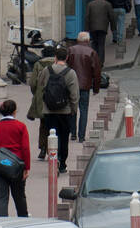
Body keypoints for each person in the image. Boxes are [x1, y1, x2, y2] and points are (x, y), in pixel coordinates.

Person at [33, 45, 79, 173]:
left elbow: (40, 86)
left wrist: (45, 102)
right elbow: (74, 95)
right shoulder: (71, 73)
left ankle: (53, 160)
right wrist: (73, 110)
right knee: (64, 138)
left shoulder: (46, 70)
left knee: (51, 136)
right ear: (67, 58)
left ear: (55, 57)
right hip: (65, 111)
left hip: (49, 111)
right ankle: (62, 163)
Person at [0, 98, 30, 217]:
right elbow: (25, 148)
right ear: (14, 111)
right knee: (19, 196)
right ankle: (23, 220)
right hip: (17, 167)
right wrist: (27, 167)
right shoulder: (21, 126)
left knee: (1, 198)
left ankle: (2, 223)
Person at [66, 32, 102, 141]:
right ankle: (81, 136)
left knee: (73, 109)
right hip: (85, 86)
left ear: (78, 39)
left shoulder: (71, 50)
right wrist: (96, 88)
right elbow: (96, 72)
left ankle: (73, 133)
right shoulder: (91, 52)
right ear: (88, 40)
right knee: (84, 110)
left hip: (72, 84)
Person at [27, 40, 58, 160]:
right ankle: (54, 149)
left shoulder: (38, 64)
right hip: (56, 98)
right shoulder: (58, 64)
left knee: (43, 124)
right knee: (55, 124)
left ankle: (43, 148)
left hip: (42, 98)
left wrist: (37, 94)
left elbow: (33, 83)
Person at [86, 0, 111, 67]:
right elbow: (111, 16)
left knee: (94, 44)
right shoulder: (107, 4)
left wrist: (86, 29)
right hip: (103, 28)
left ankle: (93, 61)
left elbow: (87, 17)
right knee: (101, 44)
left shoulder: (90, 4)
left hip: (93, 27)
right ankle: (100, 62)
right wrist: (114, 28)